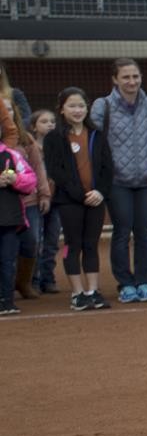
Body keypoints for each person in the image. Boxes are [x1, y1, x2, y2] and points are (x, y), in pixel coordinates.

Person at [87, 59, 147, 303]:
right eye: (125, 77)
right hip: (117, 183)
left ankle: (144, 281)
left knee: (144, 233)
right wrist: (108, 172)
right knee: (122, 232)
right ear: (115, 79)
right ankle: (125, 283)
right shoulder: (103, 106)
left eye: (135, 76)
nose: (131, 82)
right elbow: (95, 143)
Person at [45, 88, 111, 309]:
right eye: (72, 106)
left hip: (95, 200)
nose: (77, 110)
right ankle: (77, 293)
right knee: (72, 245)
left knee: (91, 245)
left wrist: (100, 192)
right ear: (62, 109)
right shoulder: (54, 137)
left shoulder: (97, 134)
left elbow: (107, 167)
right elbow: (55, 169)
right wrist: (79, 194)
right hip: (69, 201)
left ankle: (93, 291)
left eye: (81, 105)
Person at [0, 128, 38, 315]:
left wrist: (15, 179)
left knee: (7, 260)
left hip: (9, 219)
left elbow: (31, 180)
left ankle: (6, 300)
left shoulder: (11, 155)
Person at [29, 108, 61, 296]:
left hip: (56, 202)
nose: (49, 124)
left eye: (52, 121)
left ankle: (48, 278)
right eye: (44, 121)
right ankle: (33, 279)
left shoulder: (59, 147)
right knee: (36, 241)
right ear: (34, 127)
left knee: (53, 242)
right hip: (36, 200)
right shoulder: (31, 148)